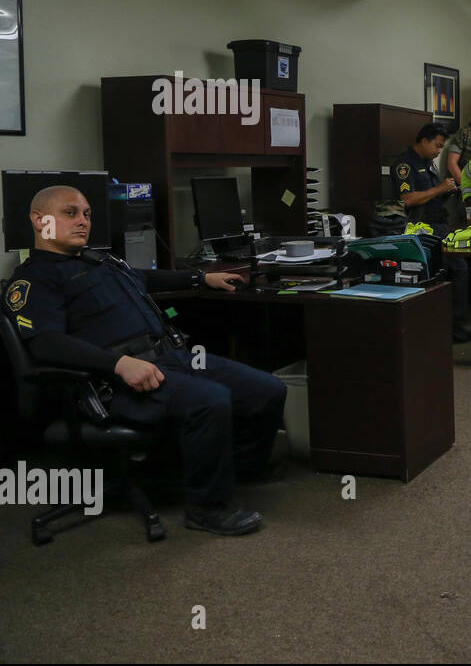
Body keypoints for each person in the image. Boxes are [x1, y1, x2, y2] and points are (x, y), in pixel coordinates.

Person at [3, 186, 282, 535]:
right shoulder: (34, 278)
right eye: (70, 213)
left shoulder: (98, 260)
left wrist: (200, 277)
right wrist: (118, 365)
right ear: (38, 219)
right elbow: (46, 344)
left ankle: (235, 469)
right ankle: (207, 508)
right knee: (210, 401)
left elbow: (145, 278)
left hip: (172, 356)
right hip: (114, 380)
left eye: (87, 214)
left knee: (268, 390)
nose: (83, 221)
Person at [392, 123, 471, 343]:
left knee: (455, 271)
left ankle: (453, 324)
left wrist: (447, 192)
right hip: (422, 228)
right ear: (424, 140)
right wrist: (439, 188)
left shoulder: (428, 164)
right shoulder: (405, 165)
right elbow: (408, 199)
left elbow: (429, 196)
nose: (439, 151)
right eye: (437, 146)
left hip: (439, 224)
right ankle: (450, 327)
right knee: (454, 270)